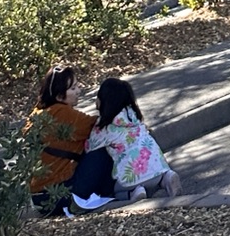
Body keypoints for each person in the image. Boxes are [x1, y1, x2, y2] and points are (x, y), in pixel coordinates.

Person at [71, 77, 181, 210]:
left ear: (103, 101)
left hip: (131, 179)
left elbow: (90, 148)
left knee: (113, 190)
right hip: (159, 169)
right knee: (153, 175)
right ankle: (167, 178)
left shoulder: (105, 127)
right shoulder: (134, 118)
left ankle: (133, 193)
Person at [27, 65, 94, 212]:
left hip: (39, 199)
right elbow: (97, 126)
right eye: (73, 88)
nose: (78, 91)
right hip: (59, 195)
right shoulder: (62, 113)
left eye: (77, 86)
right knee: (101, 152)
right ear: (58, 96)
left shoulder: (36, 114)